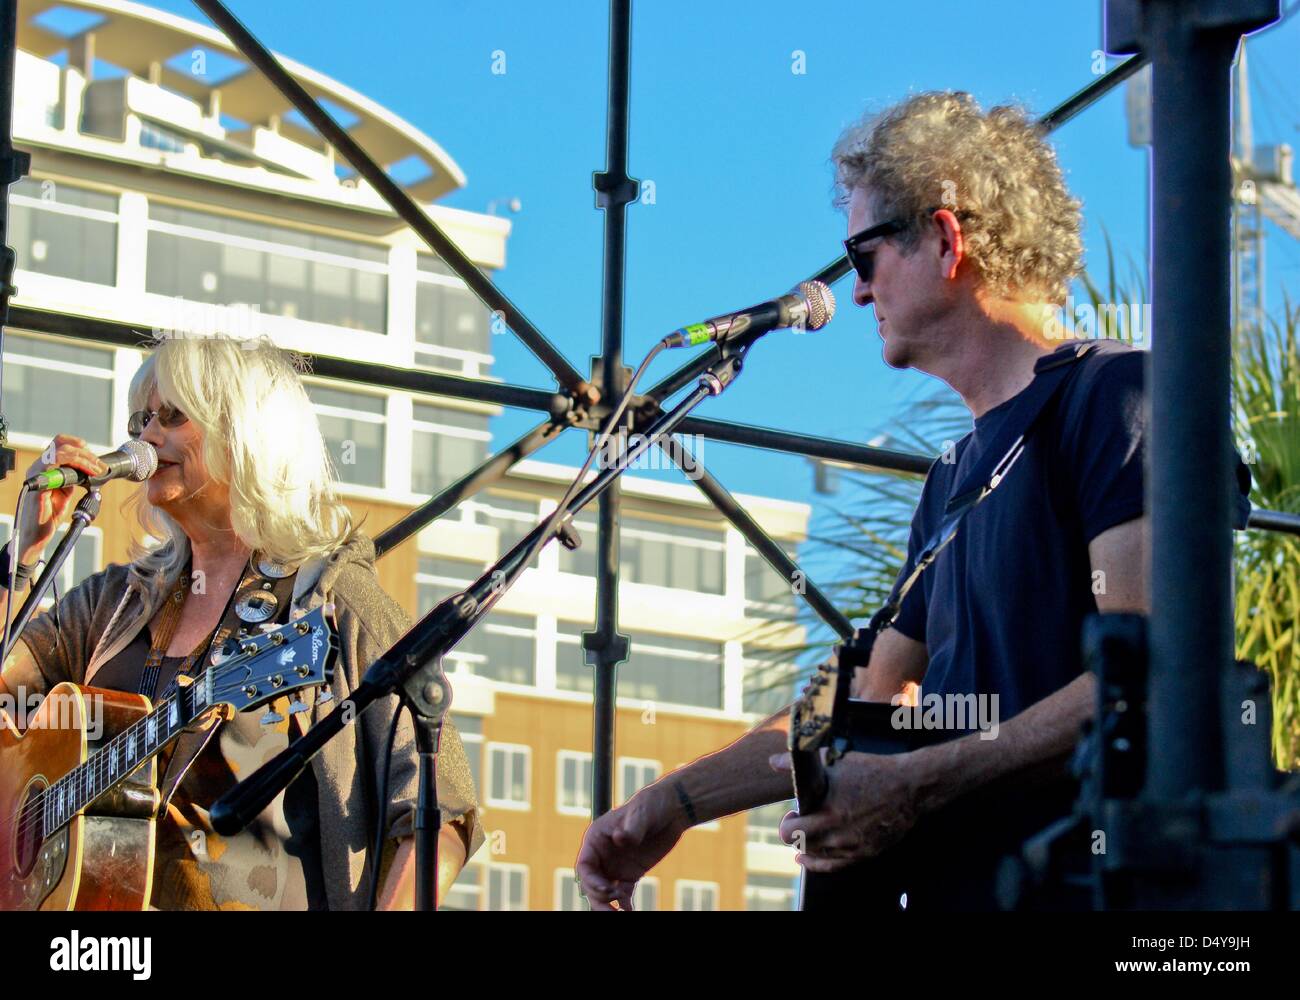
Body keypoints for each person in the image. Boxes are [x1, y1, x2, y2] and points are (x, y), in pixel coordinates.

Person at [575, 91, 1250, 910]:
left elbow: (1147, 675)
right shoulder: (952, 478)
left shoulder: (1121, 397)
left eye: (863, 257)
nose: (857, 293)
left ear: (943, 237)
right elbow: (860, 702)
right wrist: (670, 806)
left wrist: (917, 785)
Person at [0, 335, 482, 910]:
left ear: (246, 434)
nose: (145, 436)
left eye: (172, 416)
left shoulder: (331, 600)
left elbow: (440, 811)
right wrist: (23, 554)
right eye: (141, 419)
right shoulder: (114, 603)